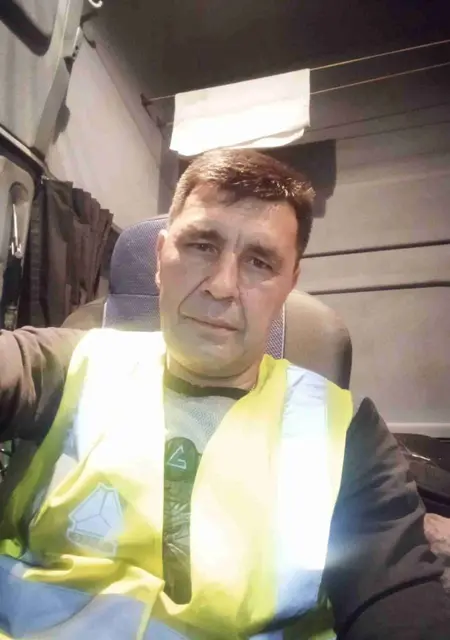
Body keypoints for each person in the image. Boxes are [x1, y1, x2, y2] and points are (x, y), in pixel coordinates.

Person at [0, 149, 449, 640]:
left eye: (260, 262)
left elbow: (400, 602)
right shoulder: (71, 362)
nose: (221, 286)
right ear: (160, 258)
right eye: (201, 246)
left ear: (289, 284)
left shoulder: (346, 434)